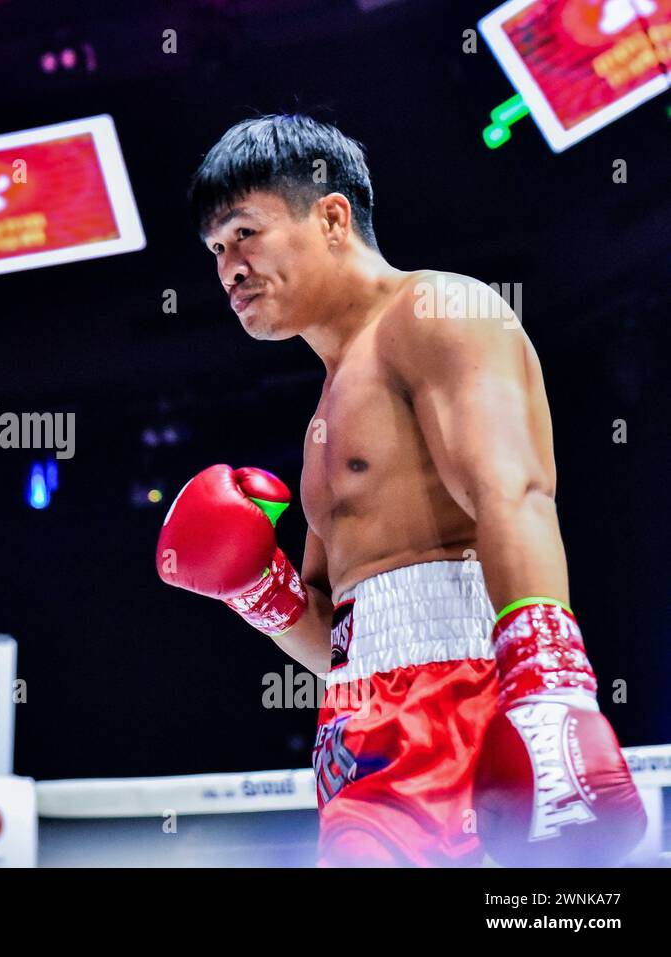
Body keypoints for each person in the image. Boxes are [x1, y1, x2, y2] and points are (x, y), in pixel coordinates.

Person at [155, 114, 645, 866]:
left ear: (331, 215)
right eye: (217, 250)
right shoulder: (324, 414)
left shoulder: (441, 310)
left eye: (245, 232)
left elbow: (512, 495)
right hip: (358, 738)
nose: (229, 268)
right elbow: (337, 644)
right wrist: (259, 589)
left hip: (478, 702)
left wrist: (550, 692)